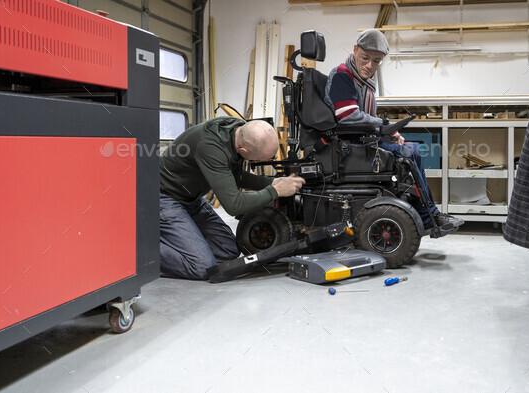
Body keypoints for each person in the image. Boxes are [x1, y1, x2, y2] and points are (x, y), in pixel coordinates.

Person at [324, 29, 462, 230]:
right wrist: (384, 127)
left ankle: (429, 213)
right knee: (408, 153)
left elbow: (363, 118)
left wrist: (390, 132)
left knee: (413, 149)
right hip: (347, 147)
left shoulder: (364, 83)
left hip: (359, 140)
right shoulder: (343, 75)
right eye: (365, 58)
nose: (370, 65)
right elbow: (348, 116)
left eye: (376, 61)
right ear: (355, 50)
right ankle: (428, 214)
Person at [159, 117, 305, 280]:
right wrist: (275, 191)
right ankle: (139, 254)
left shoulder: (238, 130)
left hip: (191, 199)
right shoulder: (211, 148)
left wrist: (272, 182)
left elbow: (235, 177)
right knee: (202, 267)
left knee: (229, 250)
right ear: (243, 150)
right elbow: (234, 205)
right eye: (255, 159)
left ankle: (180, 245)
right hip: (164, 197)